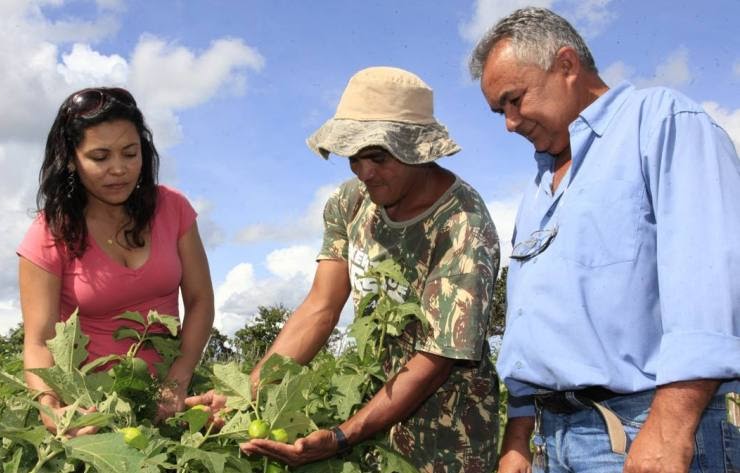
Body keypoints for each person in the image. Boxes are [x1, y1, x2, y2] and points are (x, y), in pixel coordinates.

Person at [189, 67, 501, 472]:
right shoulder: (351, 203)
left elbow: (435, 358)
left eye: (378, 157)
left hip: (447, 439)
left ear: (418, 151)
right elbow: (321, 306)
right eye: (355, 157)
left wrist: (341, 436)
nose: (364, 172)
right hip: (365, 418)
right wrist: (247, 393)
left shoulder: (463, 224)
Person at [469, 7, 740, 473]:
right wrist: (518, 440)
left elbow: (710, 284)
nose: (509, 123)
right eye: (500, 111)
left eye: (514, 100)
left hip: (642, 429)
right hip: (553, 440)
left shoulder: (660, 122)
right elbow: (529, 329)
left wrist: (669, 430)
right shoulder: (539, 189)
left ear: (567, 66)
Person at [18, 87, 214, 437]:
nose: (119, 169)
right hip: (92, 407)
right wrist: (51, 408)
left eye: (130, 153)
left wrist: (177, 380)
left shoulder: (173, 208)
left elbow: (200, 300)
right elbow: (38, 340)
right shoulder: (50, 233)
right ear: (71, 159)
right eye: (100, 157)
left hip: (173, 394)